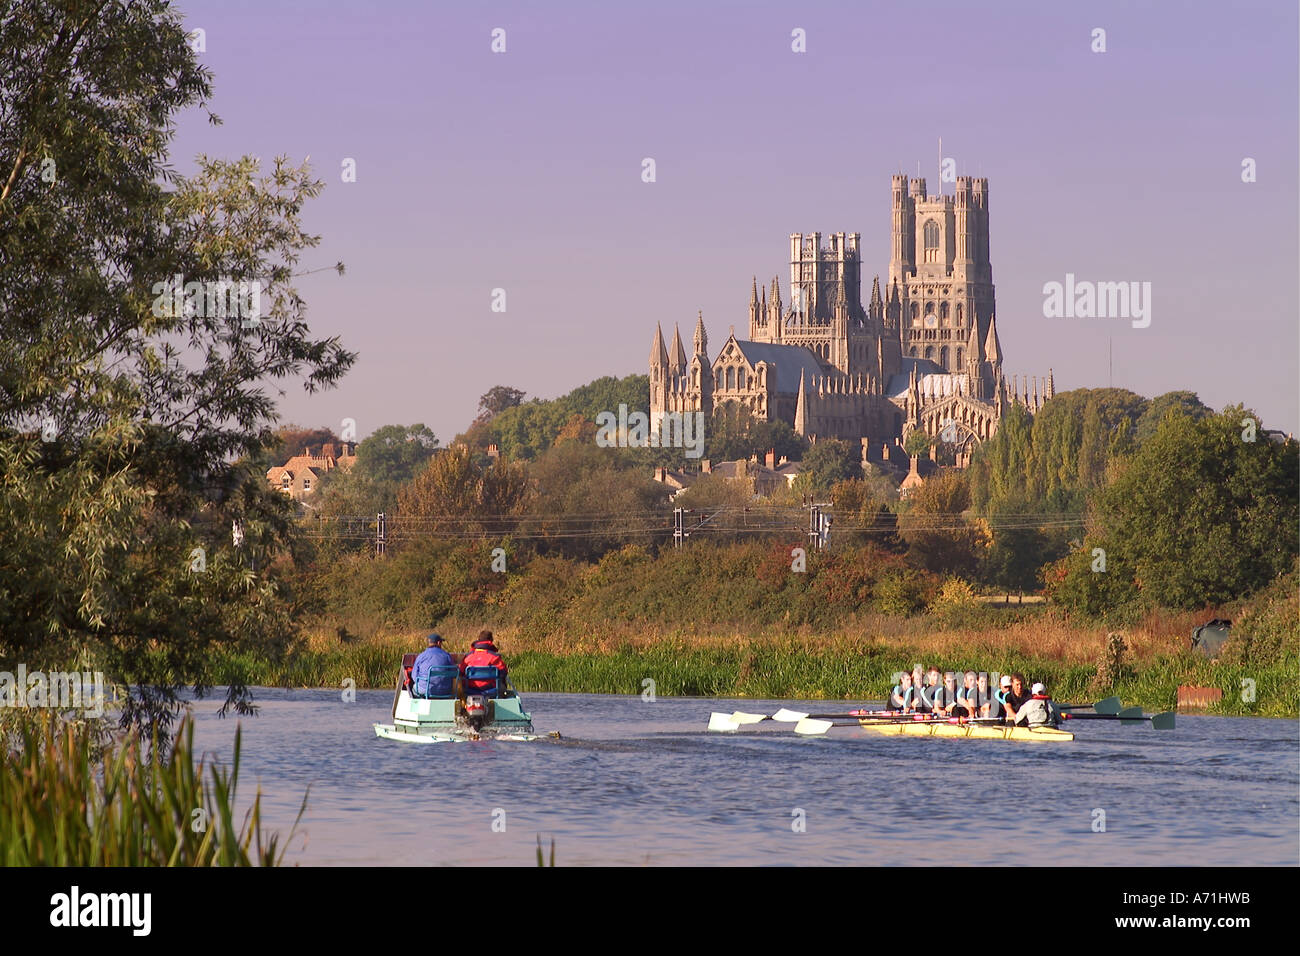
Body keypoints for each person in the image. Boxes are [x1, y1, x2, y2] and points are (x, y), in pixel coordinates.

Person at [461, 630, 508, 696]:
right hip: (491, 689)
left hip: (470, 689)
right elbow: (504, 672)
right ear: (491, 641)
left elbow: (460, 671)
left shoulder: (468, 657)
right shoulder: (494, 657)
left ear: (478, 640)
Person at [410, 633, 455, 698]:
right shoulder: (447, 656)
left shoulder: (421, 656)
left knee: (414, 688)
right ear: (439, 643)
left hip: (426, 690)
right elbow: (453, 673)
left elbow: (414, 677)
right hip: (445, 691)